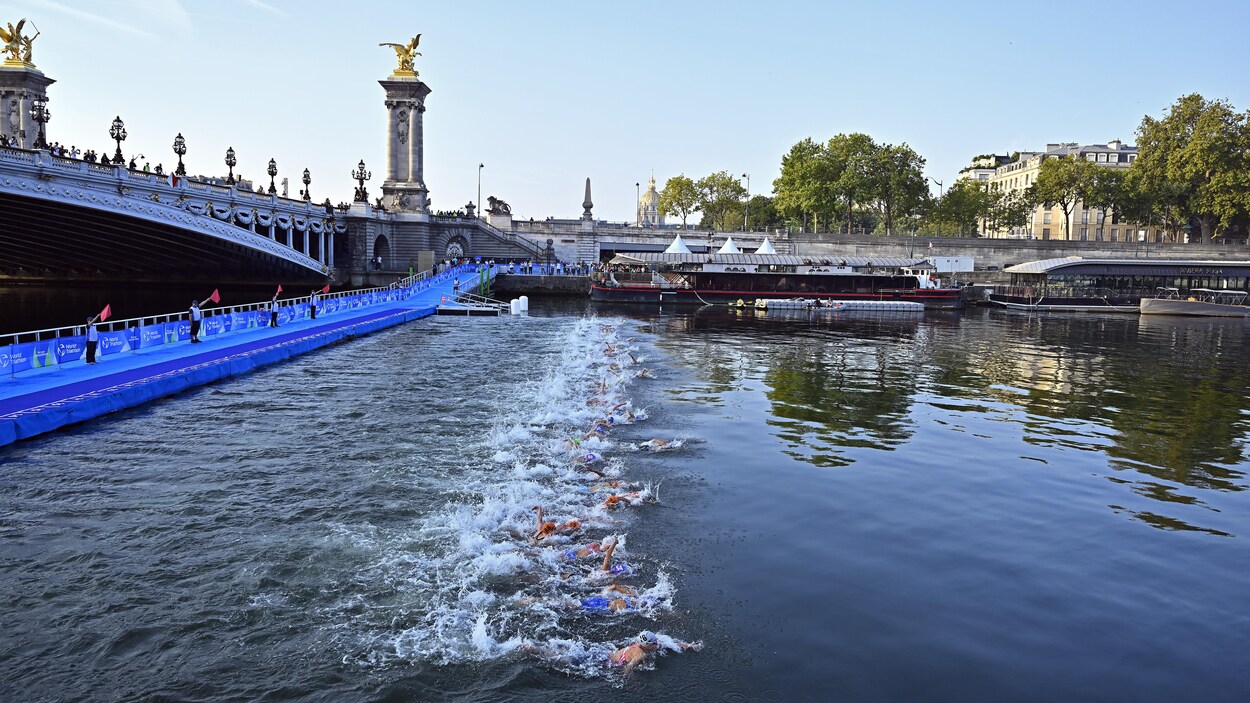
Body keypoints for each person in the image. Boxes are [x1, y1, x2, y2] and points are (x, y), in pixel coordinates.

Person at [610, 631, 700, 674]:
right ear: (647, 645)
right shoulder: (639, 654)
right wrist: (632, 682)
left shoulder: (638, 643)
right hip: (614, 663)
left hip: (613, 655)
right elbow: (628, 667)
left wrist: (689, 645)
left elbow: (671, 644)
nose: (657, 644)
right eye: (654, 643)